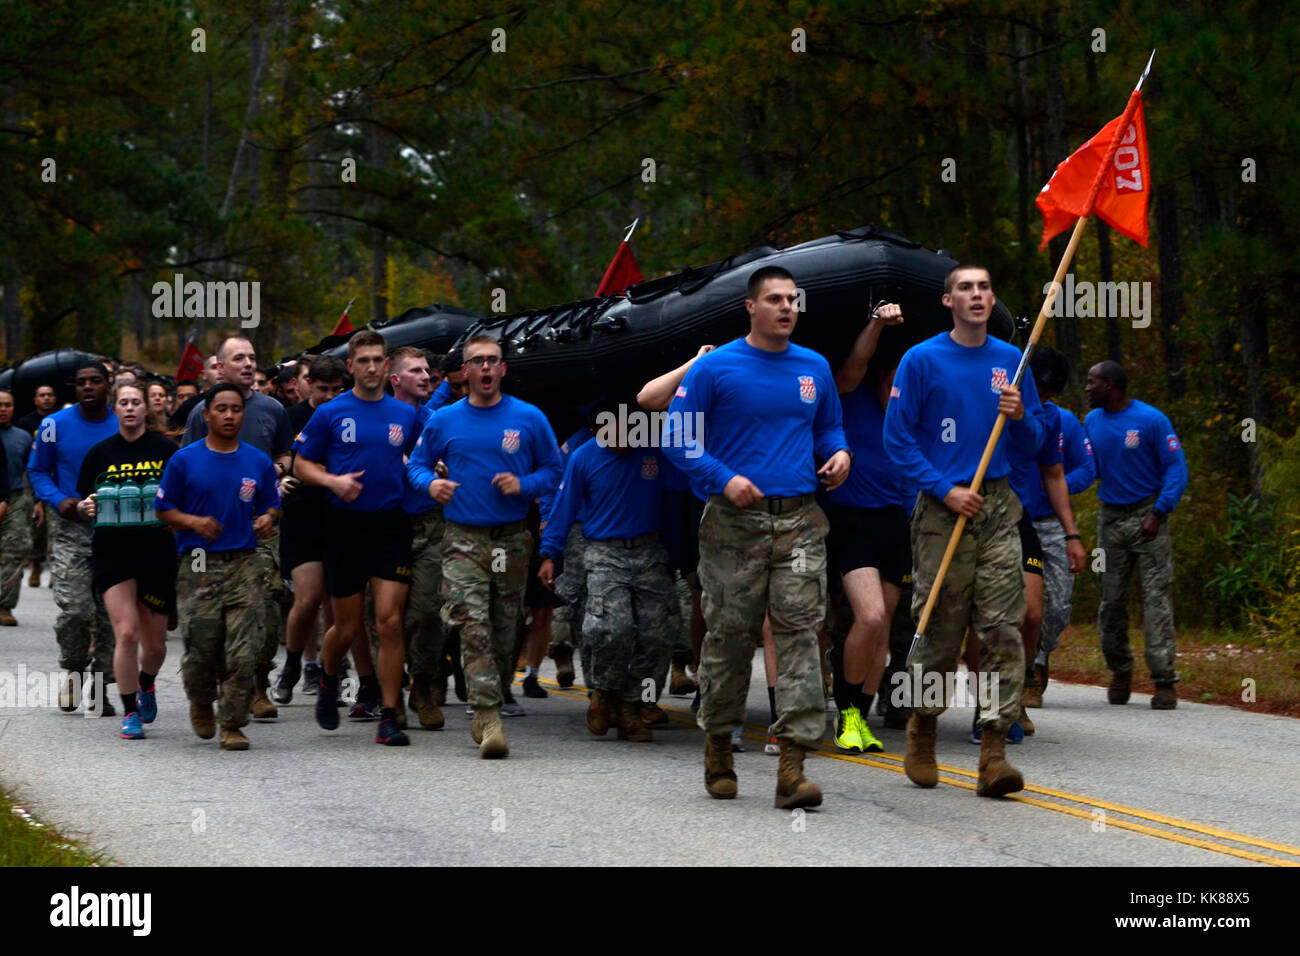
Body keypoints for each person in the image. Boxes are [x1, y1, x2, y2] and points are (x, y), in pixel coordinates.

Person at [663, 265, 851, 809]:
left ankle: (792, 767)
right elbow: (677, 437)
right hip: (732, 524)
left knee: (800, 635)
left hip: (799, 523)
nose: (786, 308)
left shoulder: (813, 366)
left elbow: (829, 427)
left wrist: (840, 454)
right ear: (751, 307)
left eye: (792, 299)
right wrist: (724, 478)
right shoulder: (716, 367)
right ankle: (719, 745)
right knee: (730, 638)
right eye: (774, 299)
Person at [883, 264, 1045, 798]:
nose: (976, 296)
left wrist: (1021, 417)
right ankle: (923, 727)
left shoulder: (1011, 362)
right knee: (940, 626)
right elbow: (897, 440)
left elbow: (1036, 444)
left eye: (983, 288)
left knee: (1002, 626)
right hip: (943, 506)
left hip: (998, 506)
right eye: (965, 289)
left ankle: (994, 751)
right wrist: (943, 488)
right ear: (948, 300)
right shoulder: (922, 360)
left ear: (991, 299)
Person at [407, 334, 562, 759]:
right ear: (466, 372)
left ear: (503, 369)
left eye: (494, 361)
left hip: (510, 540)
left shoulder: (529, 418)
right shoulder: (443, 420)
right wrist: (432, 483)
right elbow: (416, 467)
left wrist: (524, 484)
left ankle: (485, 701)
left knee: (504, 627)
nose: (487, 369)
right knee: (470, 623)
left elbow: (554, 470)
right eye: (478, 362)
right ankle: (489, 714)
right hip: (461, 538)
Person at [293, 330, 420, 746]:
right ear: (351, 366)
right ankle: (329, 679)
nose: (370, 367)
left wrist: (429, 473)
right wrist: (333, 481)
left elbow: (417, 461)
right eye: (362, 360)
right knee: (345, 628)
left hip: (391, 524)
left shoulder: (405, 415)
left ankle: (388, 715)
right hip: (345, 526)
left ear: (387, 366)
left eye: (377, 360)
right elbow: (300, 465)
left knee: (390, 621)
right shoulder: (332, 413)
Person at [538, 399, 675, 742]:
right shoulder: (584, 457)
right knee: (611, 629)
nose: (621, 437)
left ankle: (636, 704)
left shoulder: (656, 450)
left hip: (650, 552)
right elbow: (564, 508)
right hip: (604, 554)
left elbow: (684, 489)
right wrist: (549, 553)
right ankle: (603, 692)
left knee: (656, 636)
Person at [157, 383, 281, 750]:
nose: (229, 416)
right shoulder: (184, 460)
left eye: (236, 409)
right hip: (197, 563)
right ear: (206, 414)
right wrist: (194, 523)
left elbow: (271, 503)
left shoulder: (257, 461)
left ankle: (232, 722)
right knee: (202, 648)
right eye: (222, 409)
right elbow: (164, 510)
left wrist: (268, 517)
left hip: (244, 561)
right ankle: (200, 699)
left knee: (244, 650)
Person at [184, 335, 294, 720]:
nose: (248, 364)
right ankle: (211, 686)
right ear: (221, 367)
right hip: (211, 530)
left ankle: (257, 686)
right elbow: (187, 466)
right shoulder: (202, 412)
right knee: (209, 621)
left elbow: (285, 454)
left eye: (252, 357)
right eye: (239, 358)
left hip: (258, 523)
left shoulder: (272, 408)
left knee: (266, 605)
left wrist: (276, 472)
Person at [823, 303, 910, 754]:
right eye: (895, 382)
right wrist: (876, 321)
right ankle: (848, 713)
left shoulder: (908, 414)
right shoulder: (850, 392)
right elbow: (855, 364)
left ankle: (863, 710)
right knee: (869, 615)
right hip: (849, 516)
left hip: (894, 520)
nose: (899, 393)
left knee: (884, 623)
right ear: (881, 375)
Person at [74, 383, 179, 740]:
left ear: (146, 409)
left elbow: (182, 494)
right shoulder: (100, 453)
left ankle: (146, 682)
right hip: (112, 550)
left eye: (137, 402)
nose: (131, 408)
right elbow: (83, 499)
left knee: (154, 646)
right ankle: (130, 710)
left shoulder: (165, 449)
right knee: (127, 632)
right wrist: (84, 507)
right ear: (115, 409)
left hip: (156, 552)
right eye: (124, 402)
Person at [1084, 360, 1188, 709]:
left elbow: (1176, 468)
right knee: (1111, 602)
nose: (1087, 388)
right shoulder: (1092, 421)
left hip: (1148, 517)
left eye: (1092, 382)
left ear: (1111, 386)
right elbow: (1089, 469)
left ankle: (1163, 680)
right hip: (1110, 519)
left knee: (1156, 599)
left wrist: (1159, 511)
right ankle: (1120, 671)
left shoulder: (1152, 421)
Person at [27, 361, 120, 715]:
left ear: (108, 385)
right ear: (75, 388)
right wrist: (58, 500)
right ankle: (74, 670)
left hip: (116, 530)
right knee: (76, 611)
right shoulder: (53, 426)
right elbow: (38, 470)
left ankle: (101, 684)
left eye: (96, 381)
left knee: (110, 614)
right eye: (82, 382)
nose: (88, 387)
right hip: (71, 527)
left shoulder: (121, 425)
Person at [272, 355, 345, 704]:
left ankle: (333, 668)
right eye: (322, 389)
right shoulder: (290, 418)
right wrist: (282, 477)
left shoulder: (349, 414)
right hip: (301, 513)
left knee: (336, 599)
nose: (329, 396)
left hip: (338, 513)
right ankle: (292, 664)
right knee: (308, 597)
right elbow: (278, 459)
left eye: (335, 389)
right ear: (307, 386)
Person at [1023, 347, 1093, 708]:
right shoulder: (1010, 412)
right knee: (1020, 607)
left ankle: (1041, 656)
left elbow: (1086, 468)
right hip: (1014, 519)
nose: (1044, 400)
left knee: (1056, 606)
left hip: (1050, 521)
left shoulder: (1063, 421)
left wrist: (1059, 493)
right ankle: (1023, 678)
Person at [386, 347, 447, 730]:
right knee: (387, 619)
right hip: (387, 524)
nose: (426, 375)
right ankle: (386, 691)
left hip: (429, 524)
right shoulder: (376, 417)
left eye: (428, 369)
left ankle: (423, 686)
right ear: (395, 379)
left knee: (427, 612)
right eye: (415, 370)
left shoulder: (438, 421)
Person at [0, 390, 34, 625]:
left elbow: (33, 471)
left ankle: (4, 605)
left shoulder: (23, 437)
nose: (3, 409)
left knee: (13, 552)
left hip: (16, 499)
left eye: (8, 404)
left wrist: (38, 502)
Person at [19, 385, 58, 588]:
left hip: (53, 474)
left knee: (53, 526)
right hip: (30, 475)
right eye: (42, 395)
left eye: (49, 395)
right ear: (35, 399)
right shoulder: (26, 423)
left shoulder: (58, 421)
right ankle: (35, 564)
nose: (46, 399)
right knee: (35, 524)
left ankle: (54, 569)